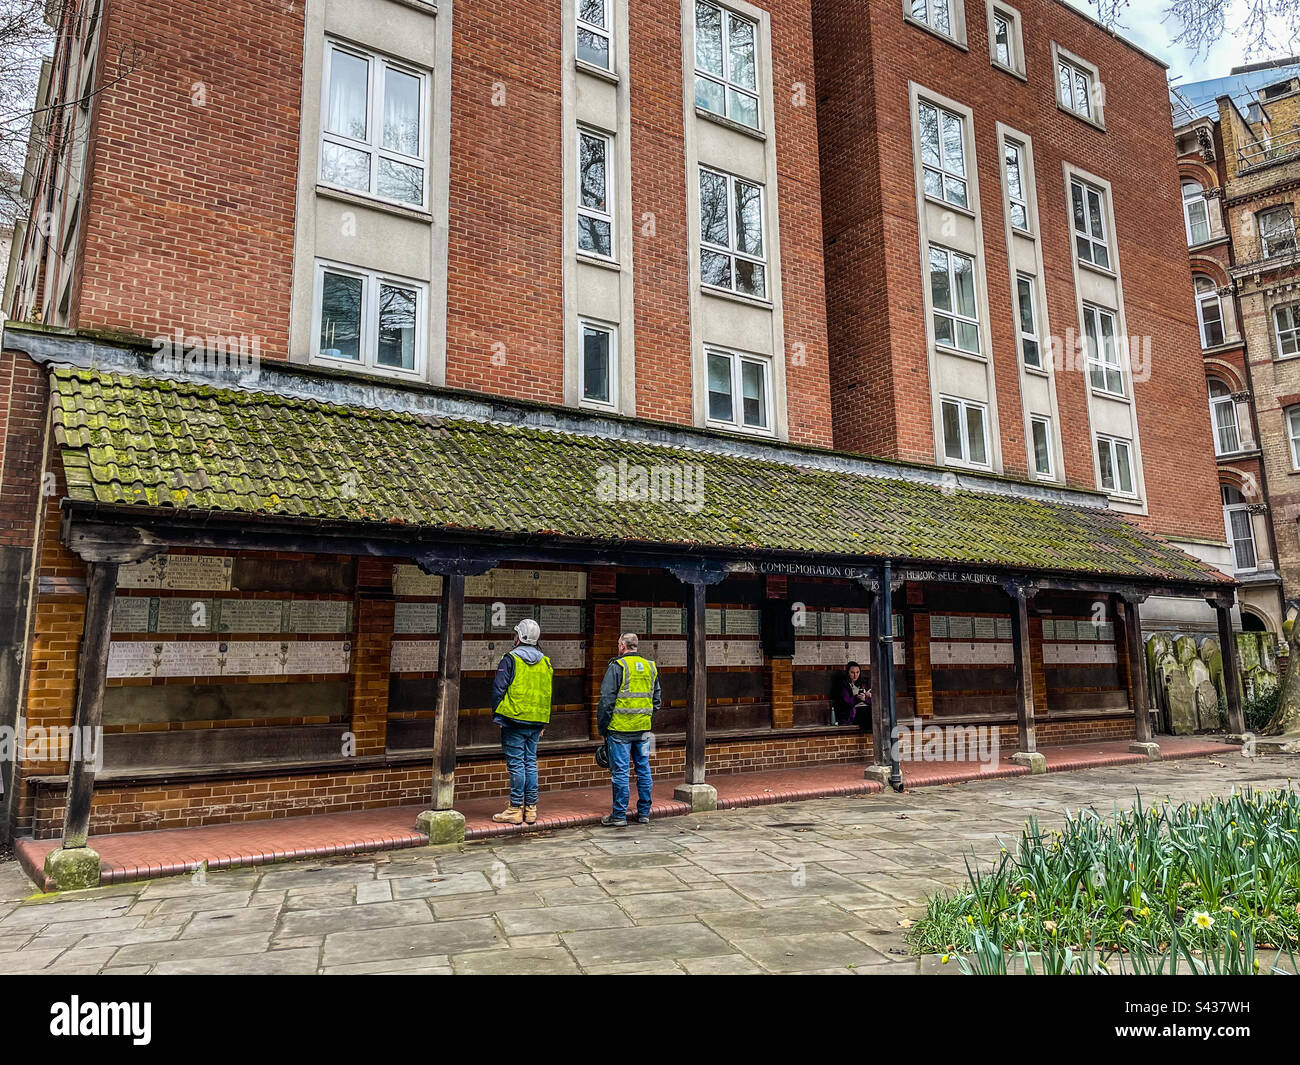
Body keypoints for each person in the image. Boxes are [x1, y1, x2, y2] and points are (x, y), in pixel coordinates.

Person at [490, 618, 553, 825]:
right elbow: (547, 693)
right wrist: (543, 722)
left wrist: (499, 715)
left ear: (518, 637)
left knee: (517, 764)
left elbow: (499, 689)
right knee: (530, 763)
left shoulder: (510, 659)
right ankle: (531, 809)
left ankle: (515, 809)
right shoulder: (545, 661)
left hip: (514, 720)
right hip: (536, 722)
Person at [597, 632, 660, 827]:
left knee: (620, 773)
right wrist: (644, 716)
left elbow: (606, 700)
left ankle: (619, 815)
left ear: (622, 646)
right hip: (643, 730)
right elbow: (656, 700)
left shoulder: (617, 666)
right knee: (643, 770)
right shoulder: (651, 667)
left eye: (618, 644)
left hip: (619, 730)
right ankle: (643, 813)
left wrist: (603, 727)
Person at [833, 661, 871, 727]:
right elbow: (847, 702)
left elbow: (872, 701)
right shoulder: (843, 685)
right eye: (852, 672)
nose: (855, 675)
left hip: (866, 709)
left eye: (857, 672)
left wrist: (866, 698)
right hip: (853, 712)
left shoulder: (864, 683)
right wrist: (858, 698)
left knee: (876, 714)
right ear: (848, 672)